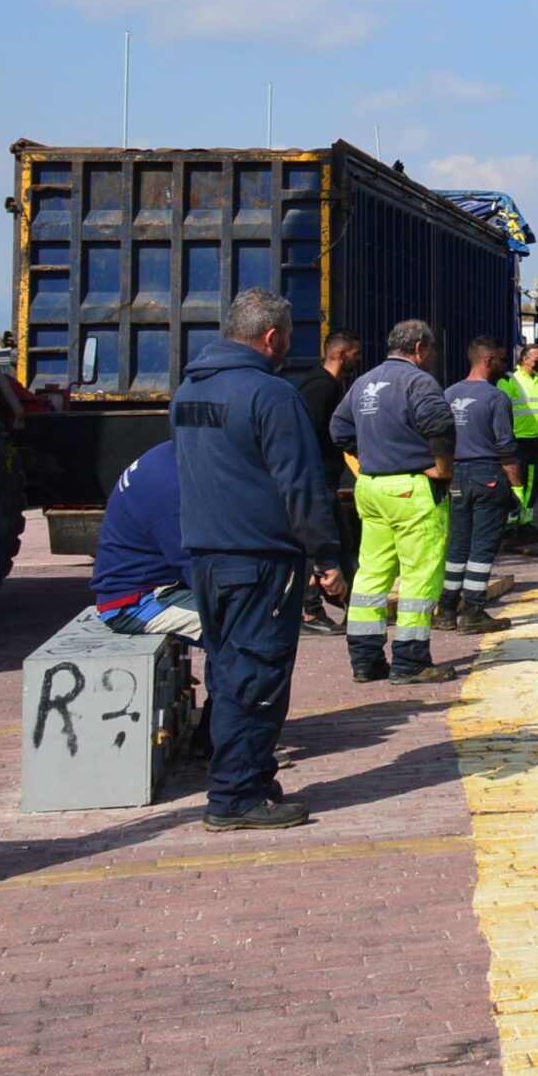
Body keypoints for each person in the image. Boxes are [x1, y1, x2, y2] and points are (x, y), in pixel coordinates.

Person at [171, 287, 341, 831]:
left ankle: (248, 773)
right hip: (262, 561)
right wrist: (326, 555)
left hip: (206, 557)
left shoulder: (188, 391)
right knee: (258, 676)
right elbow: (302, 486)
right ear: (272, 337)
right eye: (288, 338)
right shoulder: (271, 395)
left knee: (228, 672)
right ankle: (235, 797)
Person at [330, 319, 457, 684]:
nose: (431, 357)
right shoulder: (418, 381)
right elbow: (440, 425)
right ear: (419, 348)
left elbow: (339, 430)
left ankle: (365, 660)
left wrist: (371, 454)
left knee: (371, 573)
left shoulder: (363, 383)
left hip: (371, 487)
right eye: (430, 350)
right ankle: (411, 661)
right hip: (412, 489)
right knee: (419, 577)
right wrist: (443, 470)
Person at [286, 329, 363, 636]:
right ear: (340, 354)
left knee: (340, 544)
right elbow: (309, 435)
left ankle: (353, 607)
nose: (357, 360)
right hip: (317, 480)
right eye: (355, 354)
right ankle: (310, 610)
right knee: (319, 544)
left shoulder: (325, 384)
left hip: (324, 478)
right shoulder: (321, 387)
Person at [442, 337, 521, 632]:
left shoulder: (448, 394)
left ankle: (447, 609)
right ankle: (474, 610)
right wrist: (515, 488)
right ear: (487, 361)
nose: (505, 366)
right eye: (501, 359)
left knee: (457, 545)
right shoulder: (496, 397)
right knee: (482, 547)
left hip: (456, 475)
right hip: (487, 474)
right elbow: (506, 446)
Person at [90, 440, 198, 640]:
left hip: (160, 584)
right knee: (251, 626)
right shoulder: (172, 487)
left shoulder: (169, 454)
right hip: (136, 602)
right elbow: (200, 570)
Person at [496, 345, 538, 546]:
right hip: (518, 440)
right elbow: (499, 409)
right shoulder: (509, 381)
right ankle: (511, 521)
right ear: (525, 359)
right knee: (516, 482)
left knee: (533, 484)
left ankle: (526, 520)